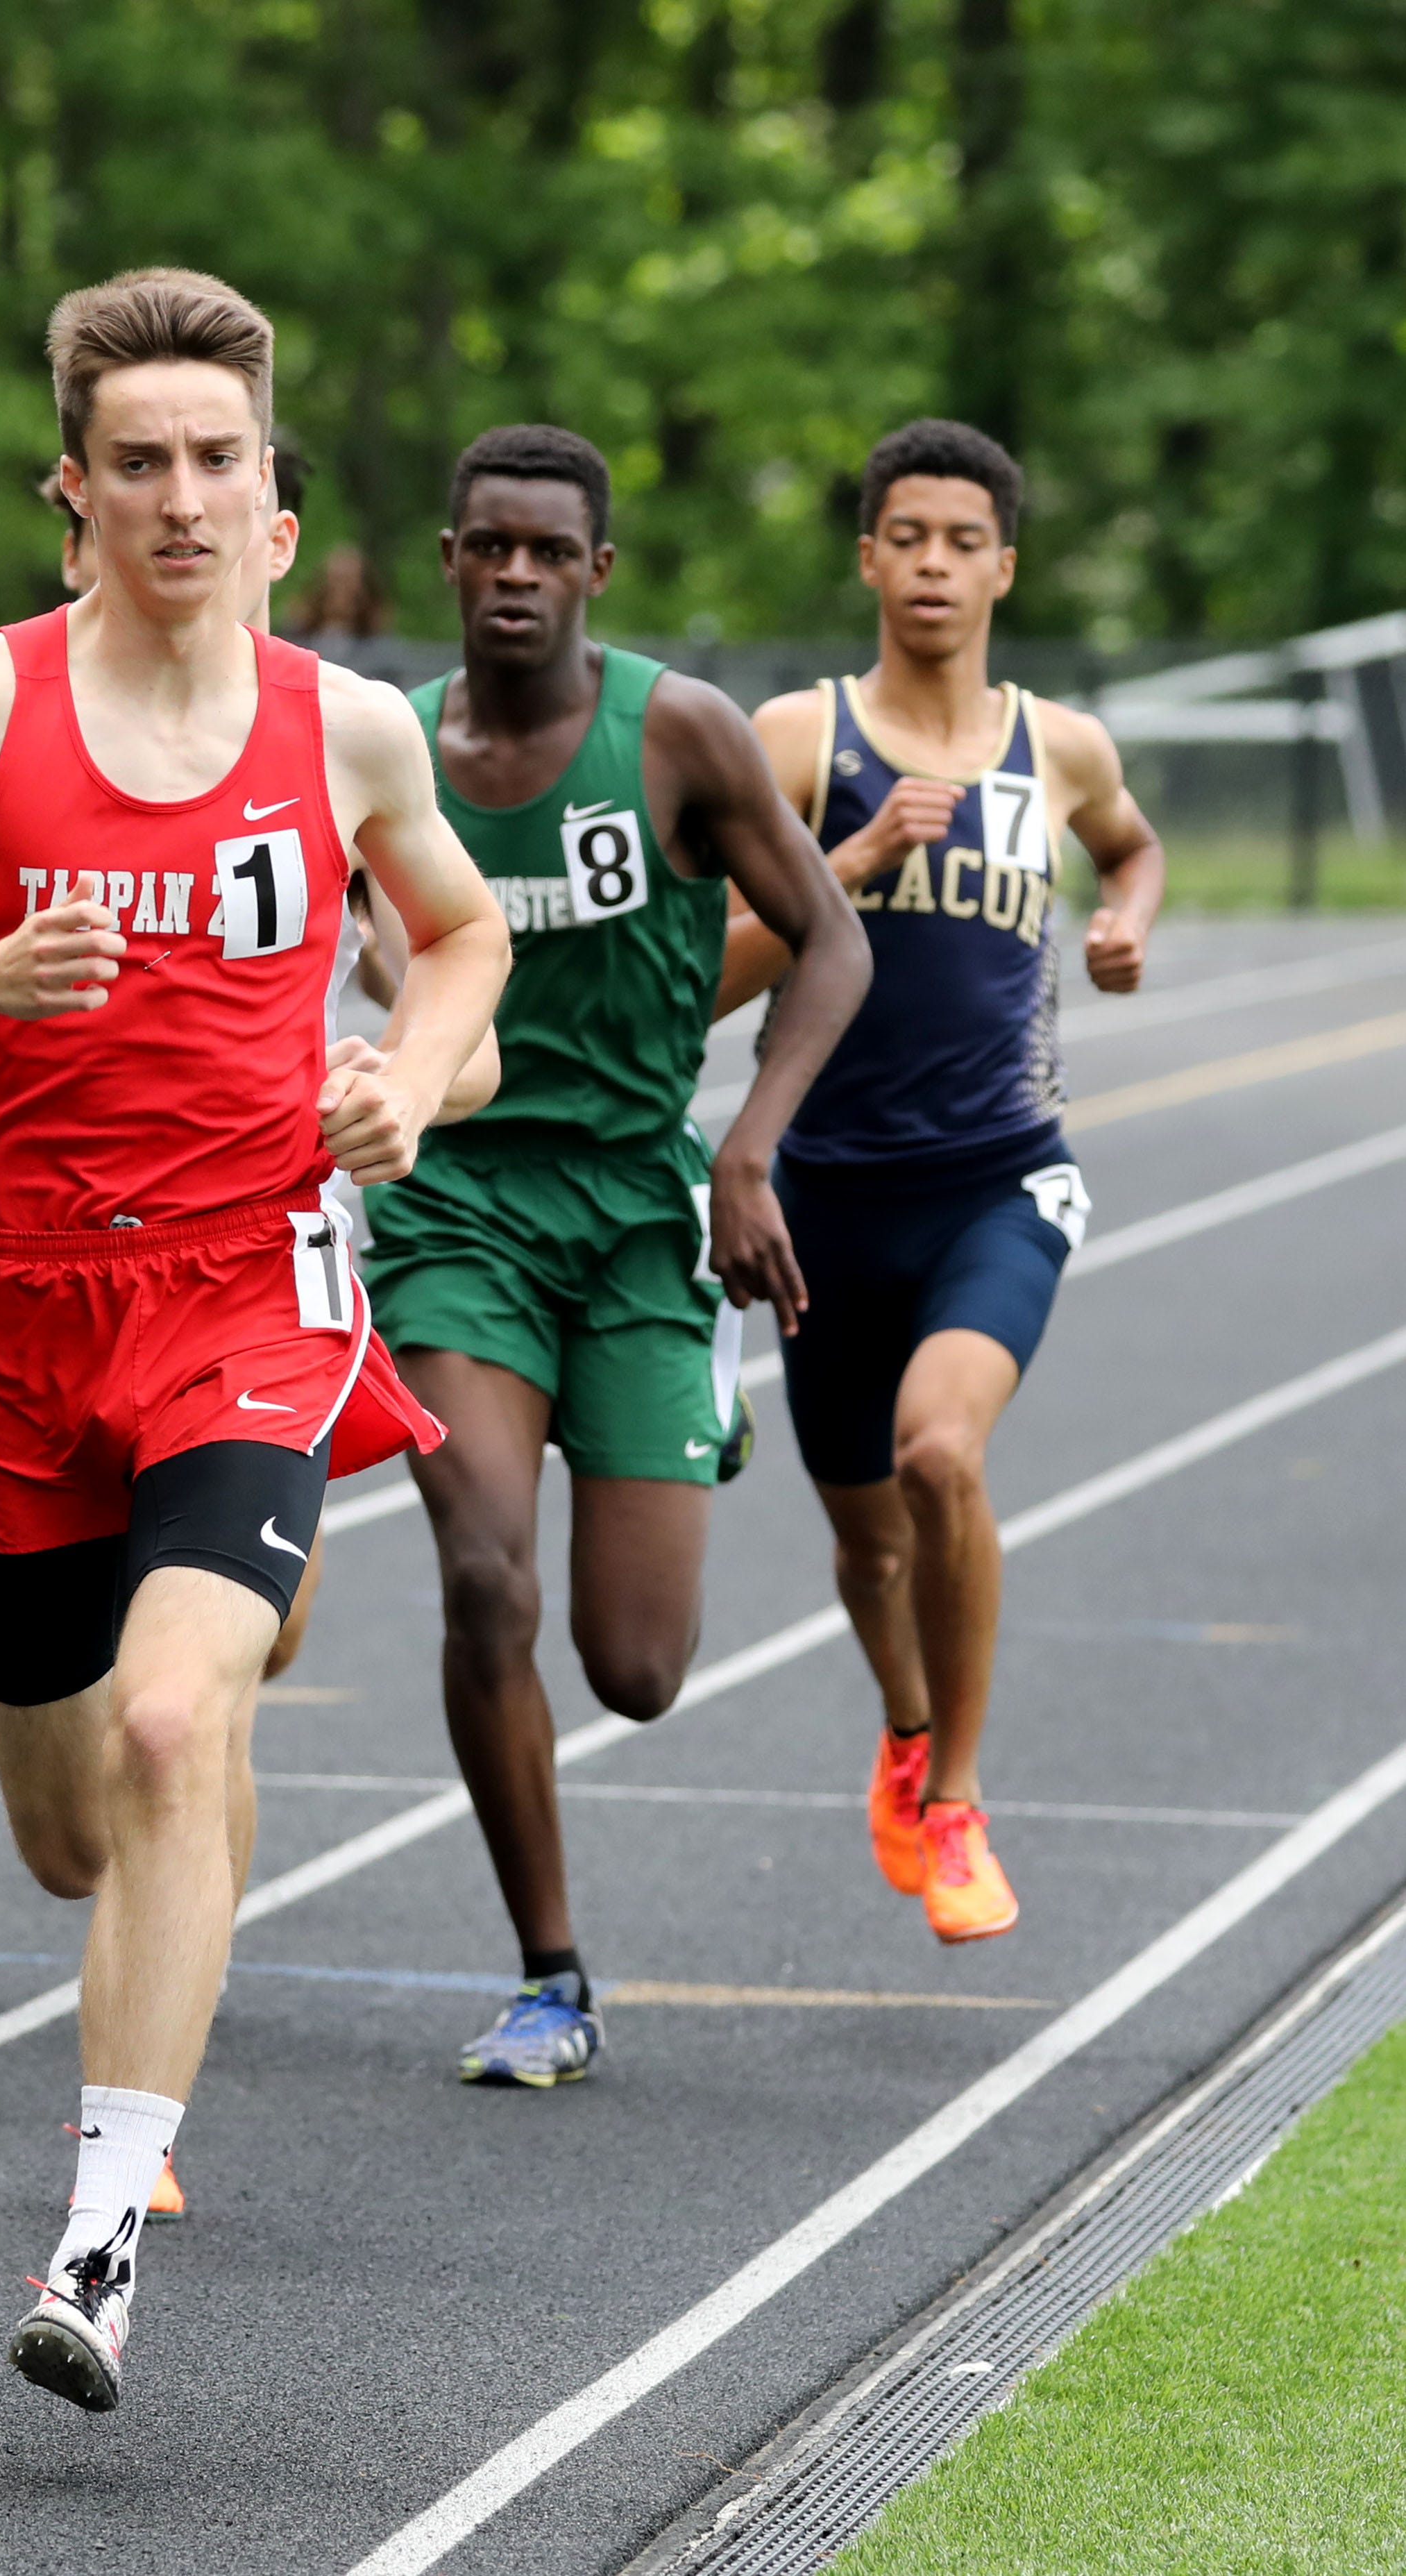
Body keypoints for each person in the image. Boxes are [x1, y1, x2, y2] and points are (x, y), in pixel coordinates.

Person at [0, 269, 509, 2414]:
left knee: (183, 1726)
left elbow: (460, 940)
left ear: (273, 504)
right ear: (69, 495)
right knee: (65, 1798)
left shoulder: (343, 726)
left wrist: (408, 1077)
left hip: (248, 1279)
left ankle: (98, 2229)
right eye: (138, 464)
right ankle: (57, 1745)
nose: (180, 497)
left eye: (218, 463)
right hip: (14, 1304)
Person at [356, 425, 870, 2089]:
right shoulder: (388, 749)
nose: (514, 576)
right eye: (486, 548)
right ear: (448, 563)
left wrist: (749, 1144)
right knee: (483, 1569)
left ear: (596, 571)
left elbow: (832, 938)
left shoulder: (679, 736)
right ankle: (549, 1972)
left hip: (643, 1209)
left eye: (546, 553)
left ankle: (688, 1398)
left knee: (638, 1670)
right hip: (457, 1208)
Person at [736, 418, 1162, 1944]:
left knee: (940, 1457)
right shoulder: (797, 739)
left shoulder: (1061, 746)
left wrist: (1123, 920)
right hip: (826, 1197)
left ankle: (960, 1793)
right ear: (865, 557)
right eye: (903, 536)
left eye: (959, 541)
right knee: (865, 1539)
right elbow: (700, 976)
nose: (930, 564)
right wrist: (842, 862)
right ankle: (907, 1730)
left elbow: (1129, 847)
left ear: (1002, 565)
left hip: (1000, 1176)